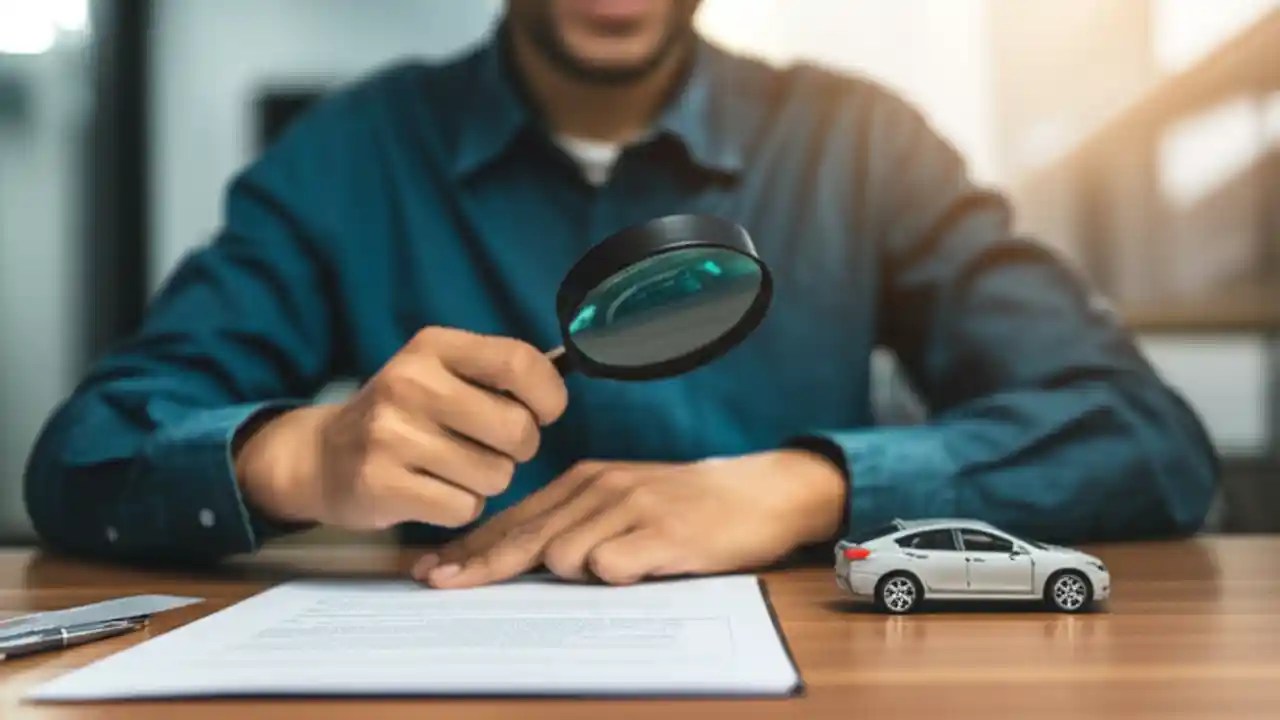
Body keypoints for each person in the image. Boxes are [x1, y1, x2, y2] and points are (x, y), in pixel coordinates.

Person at [25, 0, 1216, 588]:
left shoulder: (860, 146)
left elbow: (1144, 440)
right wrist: (299, 457)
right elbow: (83, 453)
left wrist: (805, 488)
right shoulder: (352, 151)